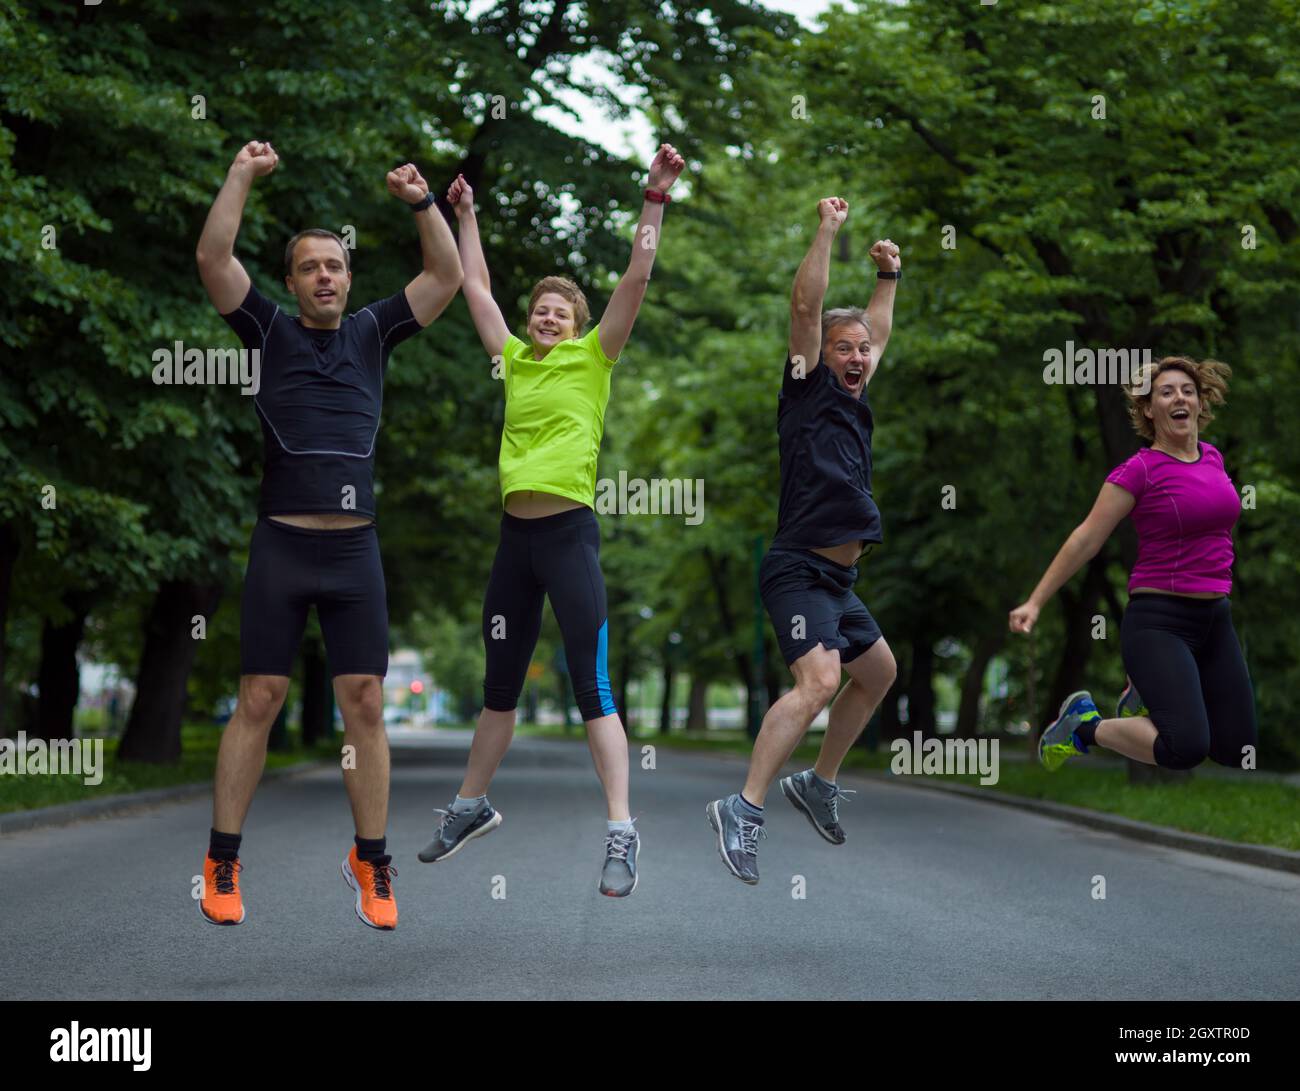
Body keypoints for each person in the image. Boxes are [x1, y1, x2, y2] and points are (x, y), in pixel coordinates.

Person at [194, 141, 463, 929]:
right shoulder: (267, 330)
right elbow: (213, 257)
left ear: (348, 277)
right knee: (260, 696)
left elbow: (446, 276)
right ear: (290, 281)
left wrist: (424, 203)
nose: (323, 276)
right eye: (309, 266)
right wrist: (241, 174)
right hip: (281, 544)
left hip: (353, 550)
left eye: (334, 266)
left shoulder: (374, 332)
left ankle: (371, 862)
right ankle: (221, 860)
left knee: (367, 703)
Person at [416, 145, 686, 898]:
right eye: (540, 308)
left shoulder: (595, 358)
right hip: (516, 542)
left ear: (577, 326)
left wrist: (654, 197)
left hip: (568, 537)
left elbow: (636, 278)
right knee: (498, 685)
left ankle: (621, 831)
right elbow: (474, 286)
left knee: (591, 684)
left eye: (560, 311)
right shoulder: (512, 359)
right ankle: (470, 806)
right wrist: (465, 213)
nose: (546, 315)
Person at [707, 197, 901, 885]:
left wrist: (888, 277)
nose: (856, 355)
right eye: (842, 347)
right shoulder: (806, 390)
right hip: (797, 570)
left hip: (838, 581)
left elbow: (877, 328)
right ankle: (742, 808)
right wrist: (828, 229)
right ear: (821, 354)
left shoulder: (856, 399)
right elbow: (803, 307)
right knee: (819, 680)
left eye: (861, 350)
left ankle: (818, 782)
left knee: (879, 673)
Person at [1009, 356, 1256, 774]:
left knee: (1237, 748)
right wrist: (1035, 601)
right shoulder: (1140, 470)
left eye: (1188, 391)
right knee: (1186, 747)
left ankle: (1146, 691)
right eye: (1166, 392)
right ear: (1149, 409)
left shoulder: (1213, 458)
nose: (1179, 398)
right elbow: (1086, 538)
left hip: (1216, 616)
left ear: (1200, 403)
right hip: (1161, 621)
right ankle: (1083, 726)